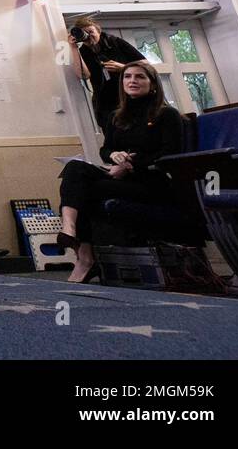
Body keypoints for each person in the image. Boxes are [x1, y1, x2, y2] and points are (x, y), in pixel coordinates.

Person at [56, 60, 183, 282]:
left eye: (140, 77)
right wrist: (113, 156)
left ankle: (84, 257)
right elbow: (106, 149)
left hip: (150, 181)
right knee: (74, 168)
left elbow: (170, 154)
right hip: (120, 176)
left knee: (86, 190)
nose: (132, 81)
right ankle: (69, 228)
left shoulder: (167, 114)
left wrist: (129, 165)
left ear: (153, 84)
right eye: (127, 76)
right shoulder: (117, 116)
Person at [68, 16, 146, 127]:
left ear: (98, 31)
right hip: (106, 104)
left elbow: (145, 64)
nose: (88, 35)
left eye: (91, 31)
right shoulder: (83, 52)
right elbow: (84, 75)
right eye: (84, 33)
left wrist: (124, 68)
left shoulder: (115, 42)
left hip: (129, 98)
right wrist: (73, 48)